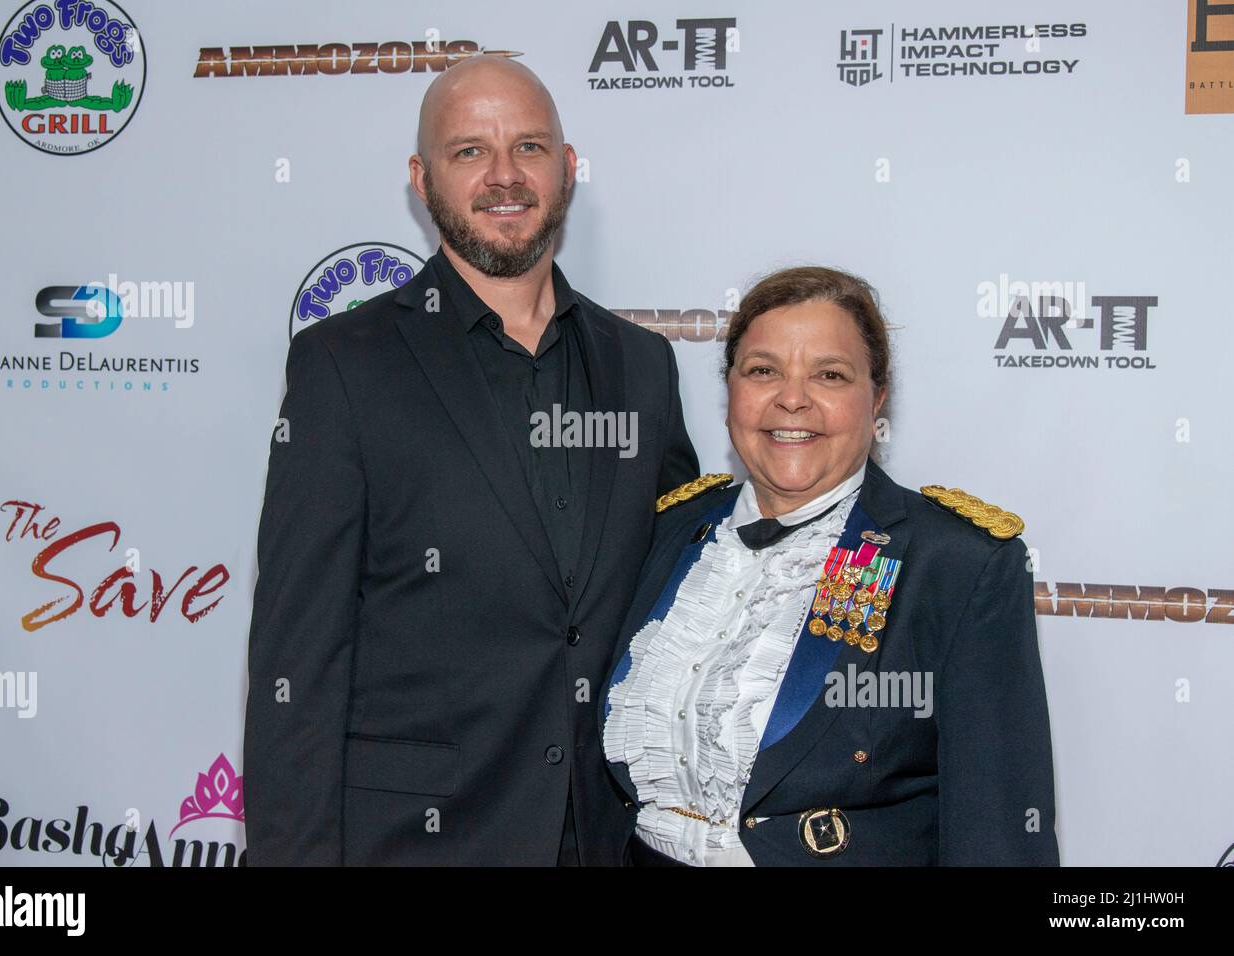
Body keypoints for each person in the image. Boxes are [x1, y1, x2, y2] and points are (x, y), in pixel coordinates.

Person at [244, 55, 698, 866]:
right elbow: (299, 662)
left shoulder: (642, 366)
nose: (504, 175)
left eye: (529, 147)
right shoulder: (343, 367)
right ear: (422, 179)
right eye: (468, 152)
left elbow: (676, 603)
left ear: (568, 166)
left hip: (602, 840)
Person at [599, 266, 1059, 866]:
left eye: (830, 375)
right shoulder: (669, 530)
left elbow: (998, 835)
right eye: (763, 370)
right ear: (730, 388)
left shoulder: (956, 564)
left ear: (877, 400)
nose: (792, 398)